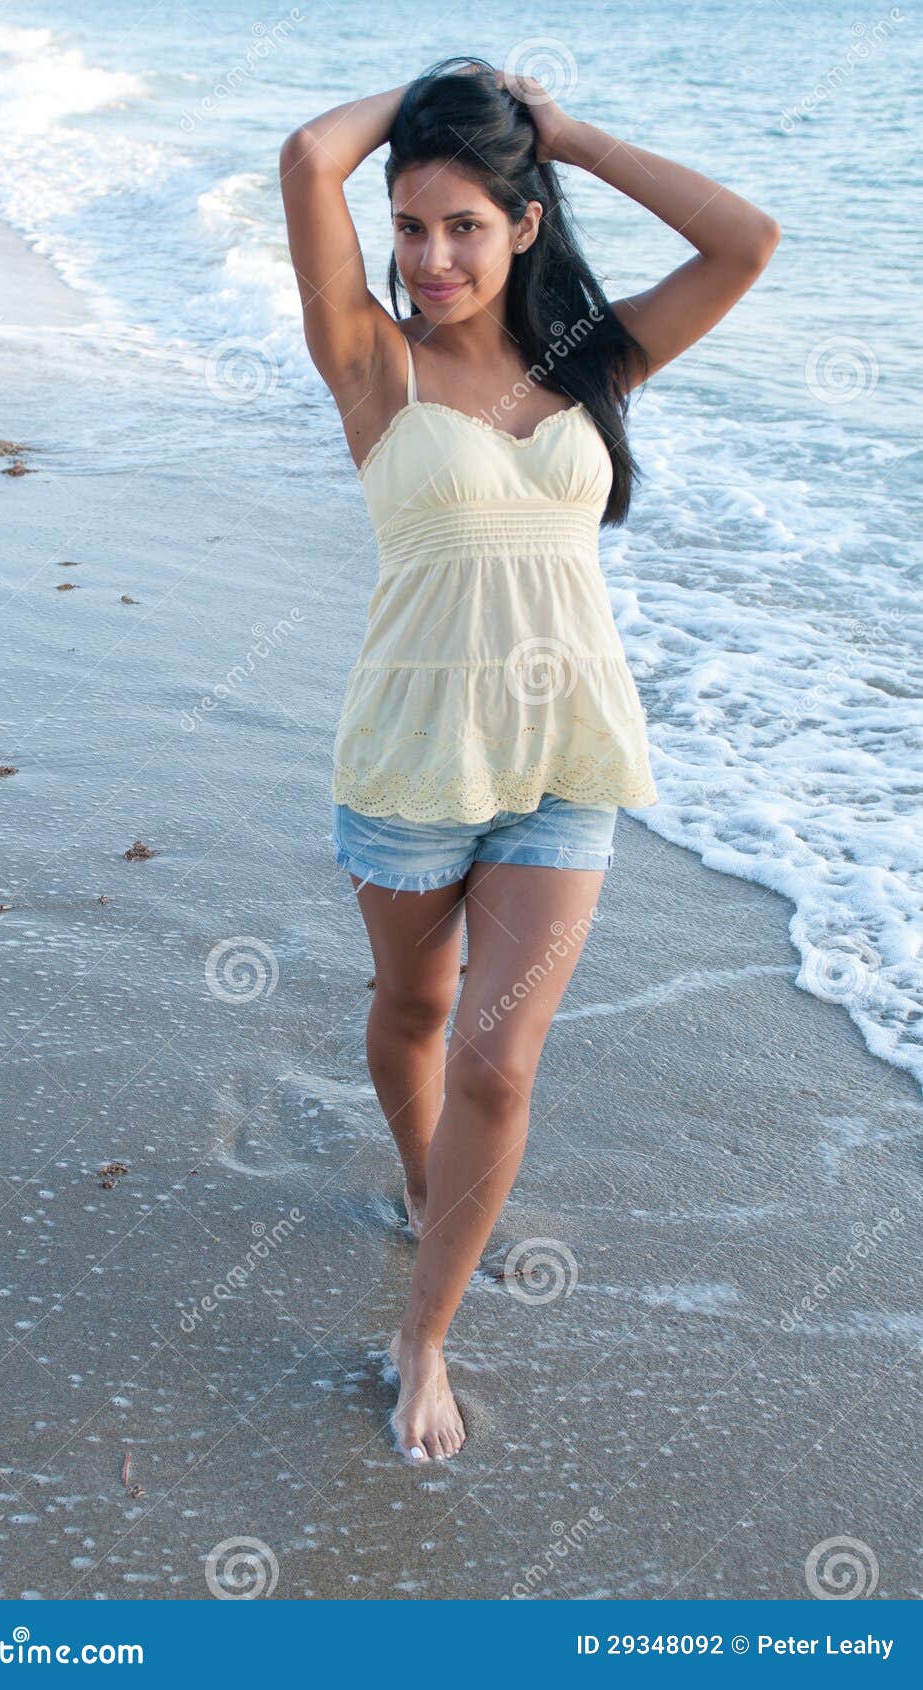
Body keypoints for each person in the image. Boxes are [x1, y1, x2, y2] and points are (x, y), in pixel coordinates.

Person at [279, 57, 779, 1464]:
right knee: (413, 1014)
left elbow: (746, 242)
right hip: (411, 752)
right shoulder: (372, 360)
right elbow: (305, 159)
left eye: (467, 227)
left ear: (525, 227)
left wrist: (563, 133)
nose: (432, 259)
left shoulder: (588, 363)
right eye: (413, 227)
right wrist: (430, 97)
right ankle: (418, 1178)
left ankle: (422, 1335)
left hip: (566, 753)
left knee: (500, 1061)